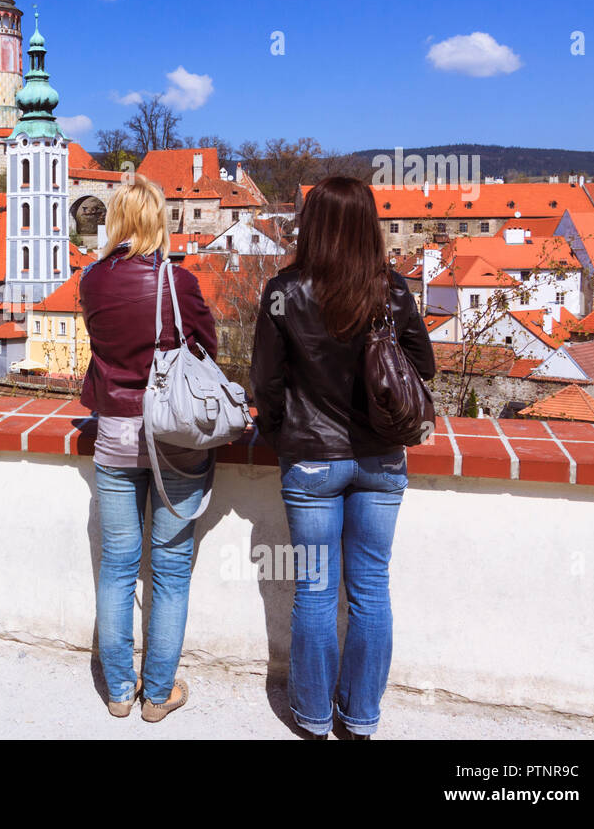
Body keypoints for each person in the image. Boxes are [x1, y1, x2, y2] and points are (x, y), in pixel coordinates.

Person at [250, 175, 435, 740]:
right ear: (367, 225)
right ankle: (359, 718)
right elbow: (421, 368)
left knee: (314, 589)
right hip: (380, 460)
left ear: (312, 226)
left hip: (310, 460)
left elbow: (266, 383)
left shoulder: (283, 291)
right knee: (371, 590)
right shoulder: (393, 290)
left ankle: (310, 715)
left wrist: (285, 440)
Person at [79, 176, 218, 723]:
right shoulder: (176, 281)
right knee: (170, 568)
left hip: (114, 434)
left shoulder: (91, 281)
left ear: (115, 222)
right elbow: (207, 344)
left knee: (116, 567)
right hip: (174, 440)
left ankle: (118, 689)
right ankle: (158, 693)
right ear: (159, 222)